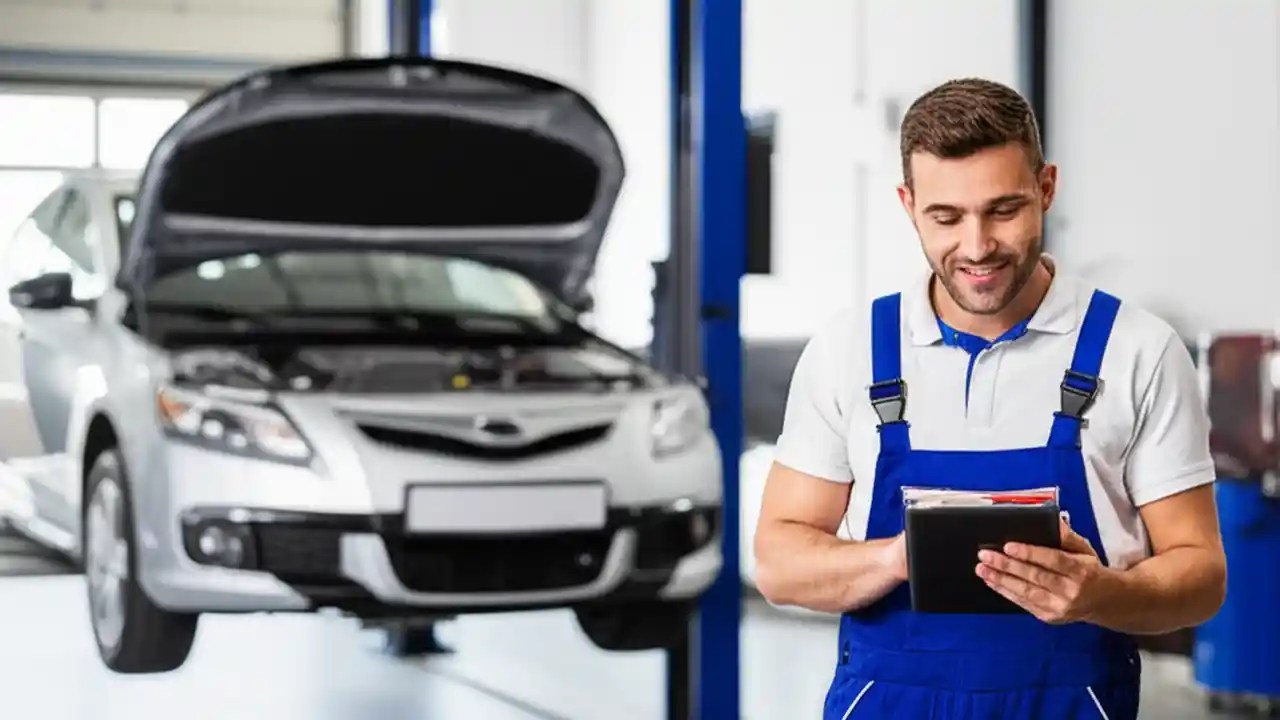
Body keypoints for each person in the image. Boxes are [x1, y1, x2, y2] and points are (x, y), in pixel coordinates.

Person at [752, 77, 1227, 720]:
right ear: (908, 203)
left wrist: (1100, 594)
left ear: (1047, 189)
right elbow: (779, 565)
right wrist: (902, 556)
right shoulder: (850, 352)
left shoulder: (1139, 351)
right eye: (945, 217)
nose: (977, 247)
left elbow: (1200, 577)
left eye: (1004, 210)